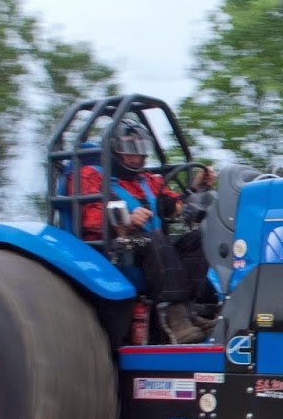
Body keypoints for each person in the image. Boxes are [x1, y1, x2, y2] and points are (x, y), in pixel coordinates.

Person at [76, 118, 218, 342]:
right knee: (154, 239)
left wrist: (197, 188)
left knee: (198, 239)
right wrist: (126, 220)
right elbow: (88, 217)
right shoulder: (90, 176)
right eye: (131, 152)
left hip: (152, 244)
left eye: (142, 152)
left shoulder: (147, 180)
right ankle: (173, 316)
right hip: (113, 247)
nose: (138, 158)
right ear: (114, 151)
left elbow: (174, 206)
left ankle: (188, 311)